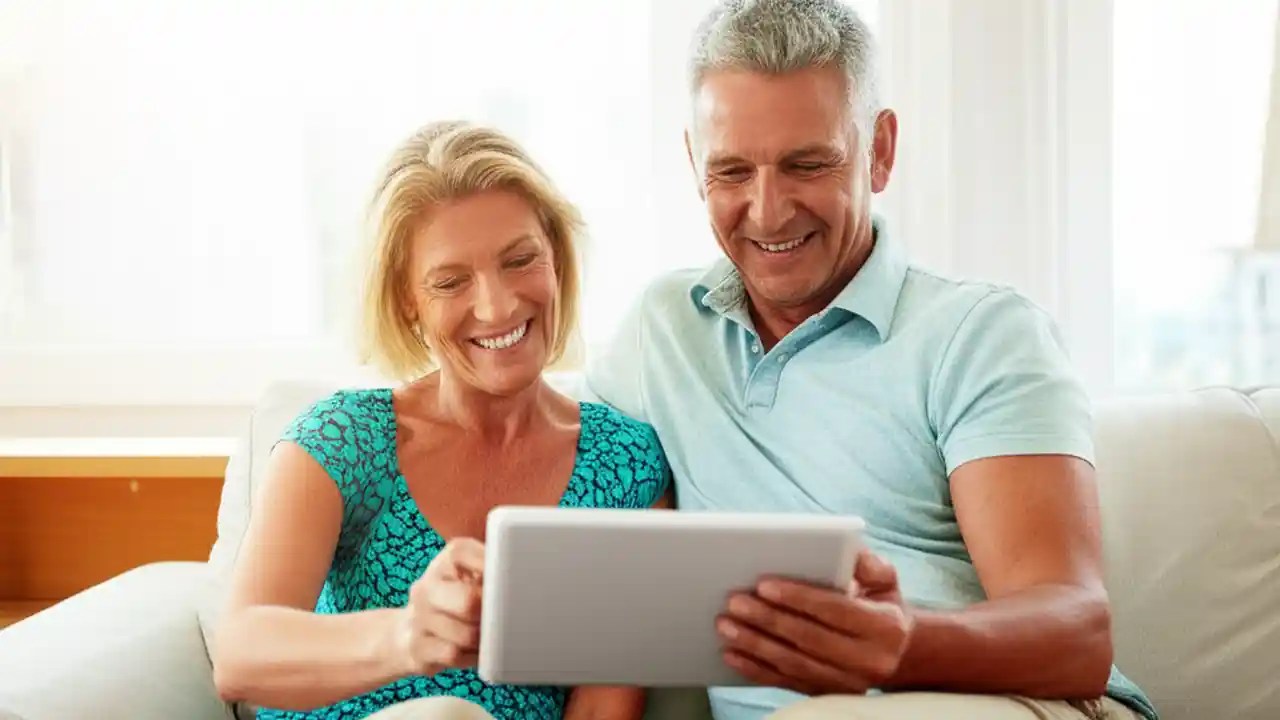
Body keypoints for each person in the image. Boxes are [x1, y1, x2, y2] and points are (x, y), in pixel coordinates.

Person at [585, 2, 1159, 719]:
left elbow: (1078, 636)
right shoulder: (661, 332)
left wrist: (903, 643)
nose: (767, 212)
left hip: (1016, 704)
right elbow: (537, 463)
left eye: (807, 164)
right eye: (732, 171)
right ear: (694, 164)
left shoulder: (980, 334)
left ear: (880, 151)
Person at [211, 121, 668, 720]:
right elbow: (241, 658)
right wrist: (408, 636)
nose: (497, 305)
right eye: (451, 282)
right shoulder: (342, 439)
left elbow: (605, 707)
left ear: (556, 257)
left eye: (520, 259)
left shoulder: (627, 466)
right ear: (408, 300)